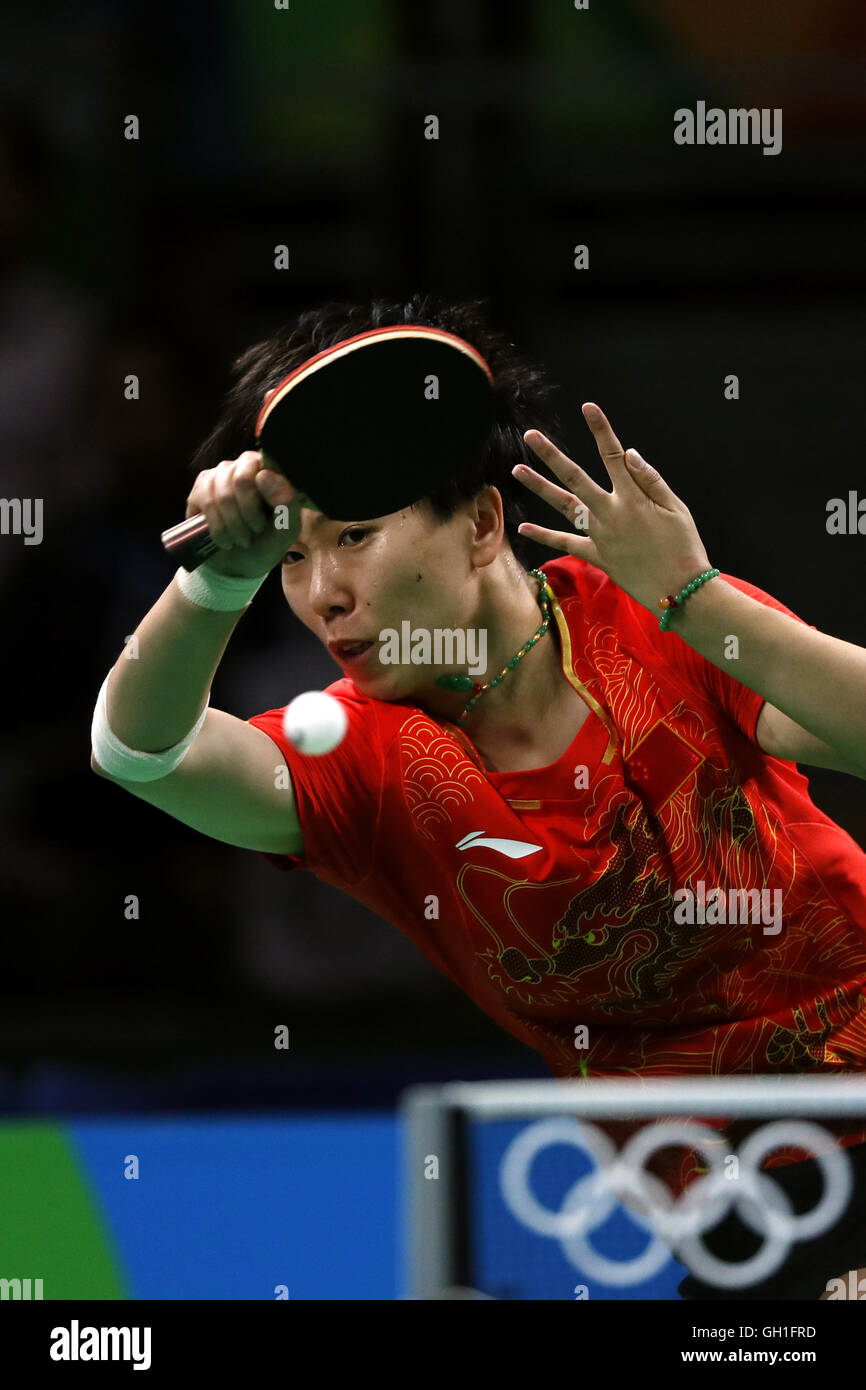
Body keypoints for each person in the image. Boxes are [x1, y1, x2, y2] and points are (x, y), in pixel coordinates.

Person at [90, 293, 866, 1299]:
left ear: (481, 524)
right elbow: (137, 751)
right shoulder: (360, 761)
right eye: (289, 558)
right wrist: (213, 583)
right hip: (733, 1206)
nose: (321, 590)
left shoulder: (648, 624)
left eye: (354, 536)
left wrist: (694, 595)